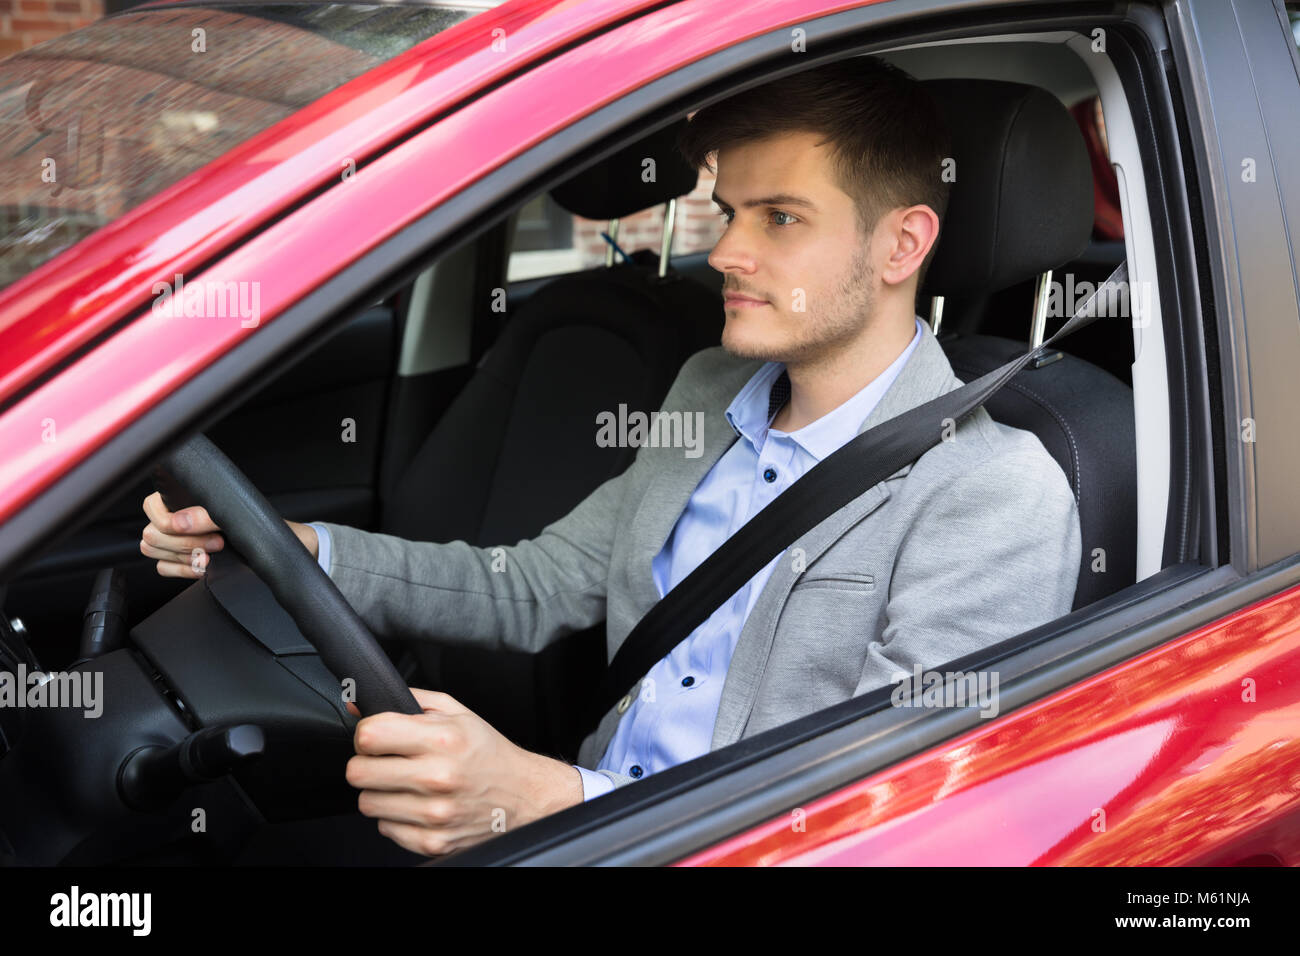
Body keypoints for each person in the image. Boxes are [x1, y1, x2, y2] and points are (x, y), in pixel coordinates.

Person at [140, 56, 1081, 858]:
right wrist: (307, 552)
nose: (727, 253)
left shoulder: (994, 495)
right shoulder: (708, 391)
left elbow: (882, 830)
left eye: (780, 219)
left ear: (901, 244)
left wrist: (544, 798)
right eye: (727, 213)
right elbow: (539, 582)